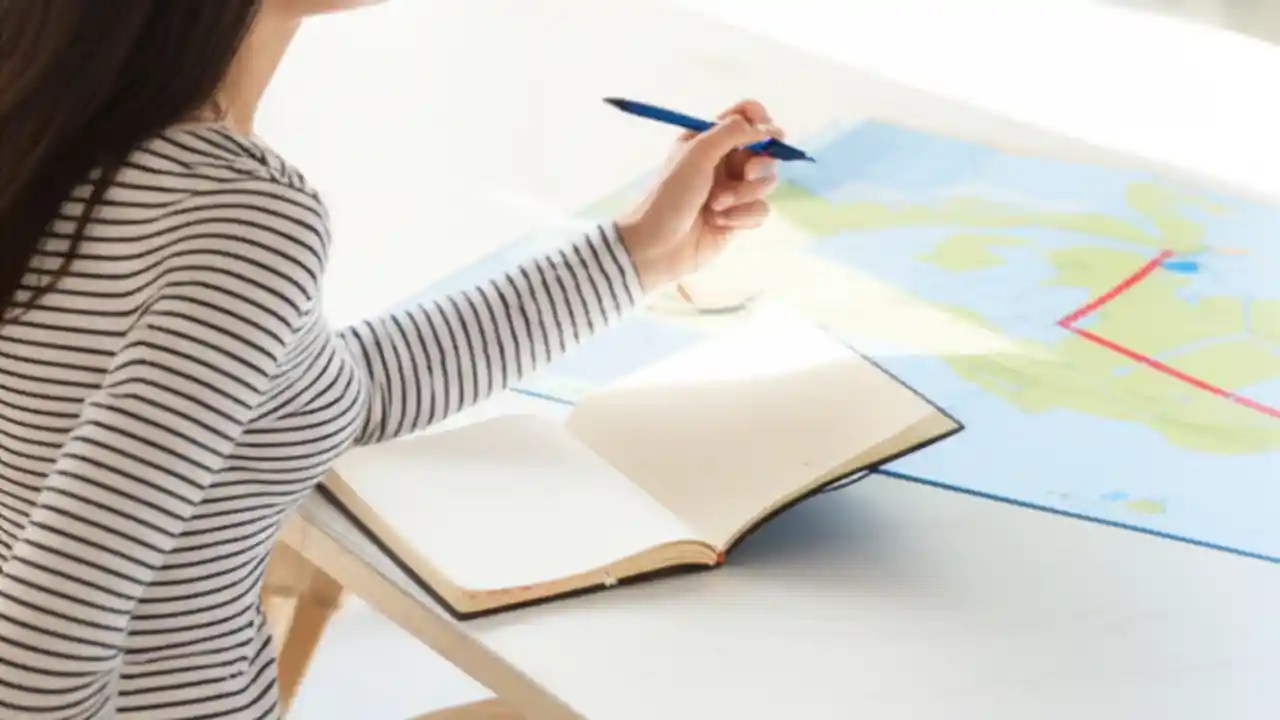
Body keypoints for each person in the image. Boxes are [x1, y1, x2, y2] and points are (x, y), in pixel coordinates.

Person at [0, 1, 783, 717]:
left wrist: (640, 252)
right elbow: (37, 663)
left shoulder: (56, 125)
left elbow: (331, 391)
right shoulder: (236, 216)